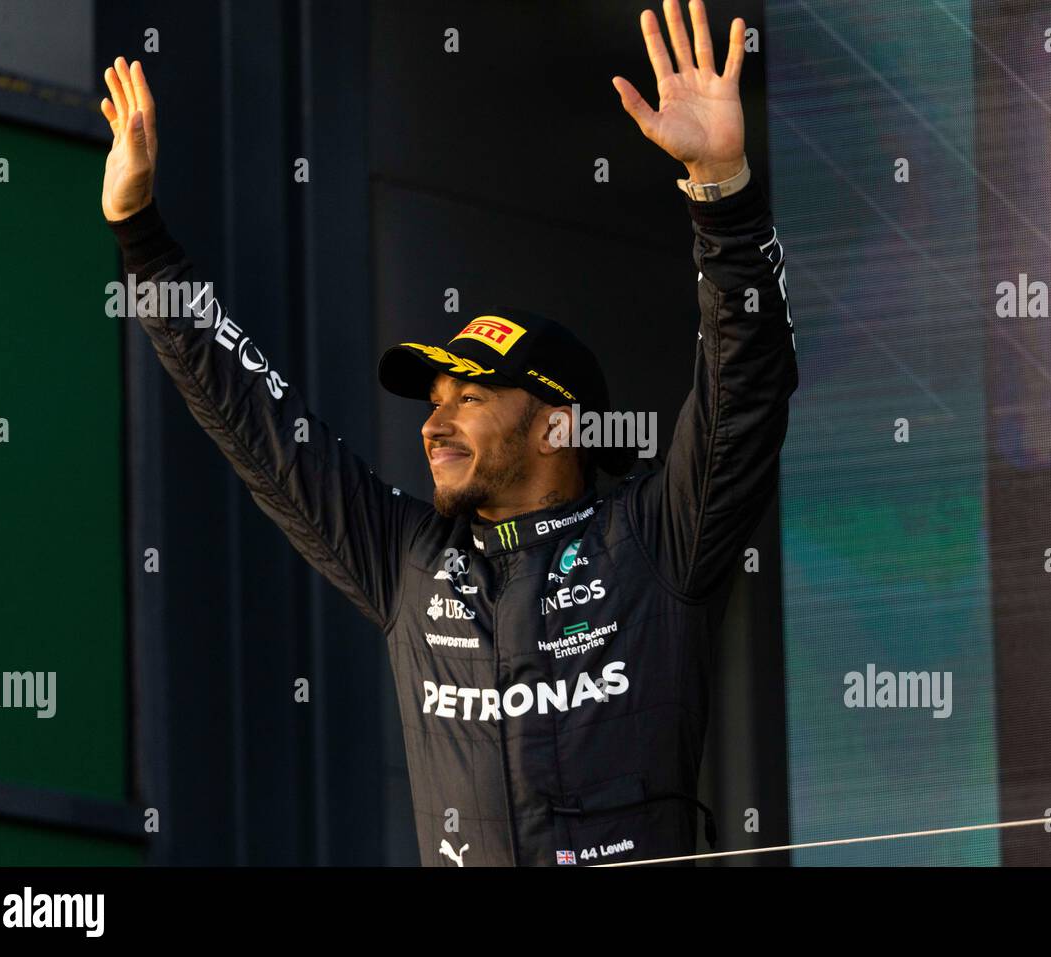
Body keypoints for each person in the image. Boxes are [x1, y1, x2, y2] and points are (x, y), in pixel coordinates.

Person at [99, 0, 796, 866]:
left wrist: (722, 193)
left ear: (556, 426)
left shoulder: (654, 538)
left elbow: (747, 389)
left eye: (470, 396)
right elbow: (258, 422)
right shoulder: (408, 560)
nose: (435, 422)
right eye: (434, 399)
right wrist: (142, 242)